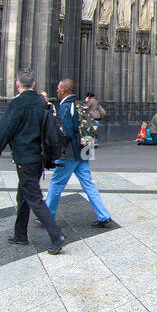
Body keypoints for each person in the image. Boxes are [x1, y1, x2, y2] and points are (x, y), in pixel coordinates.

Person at [0, 68, 65, 254]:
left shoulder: (17, 104)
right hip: (38, 157)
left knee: (33, 198)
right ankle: (20, 233)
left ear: (17, 85)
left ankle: (56, 235)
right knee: (23, 194)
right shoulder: (41, 103)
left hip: (25, 157)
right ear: (33, 84)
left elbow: (4, 130)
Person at [45, 80, 112, 229]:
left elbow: (65, 132)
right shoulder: (81, 104)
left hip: (70, 152)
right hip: (85, 148)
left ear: (63, 90)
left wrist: (56, 148)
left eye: (58, 88)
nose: (56, 90)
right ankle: (104, 215)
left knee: (56, 184)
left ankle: (47, 217)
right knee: (88, 183)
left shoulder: (65, 107)